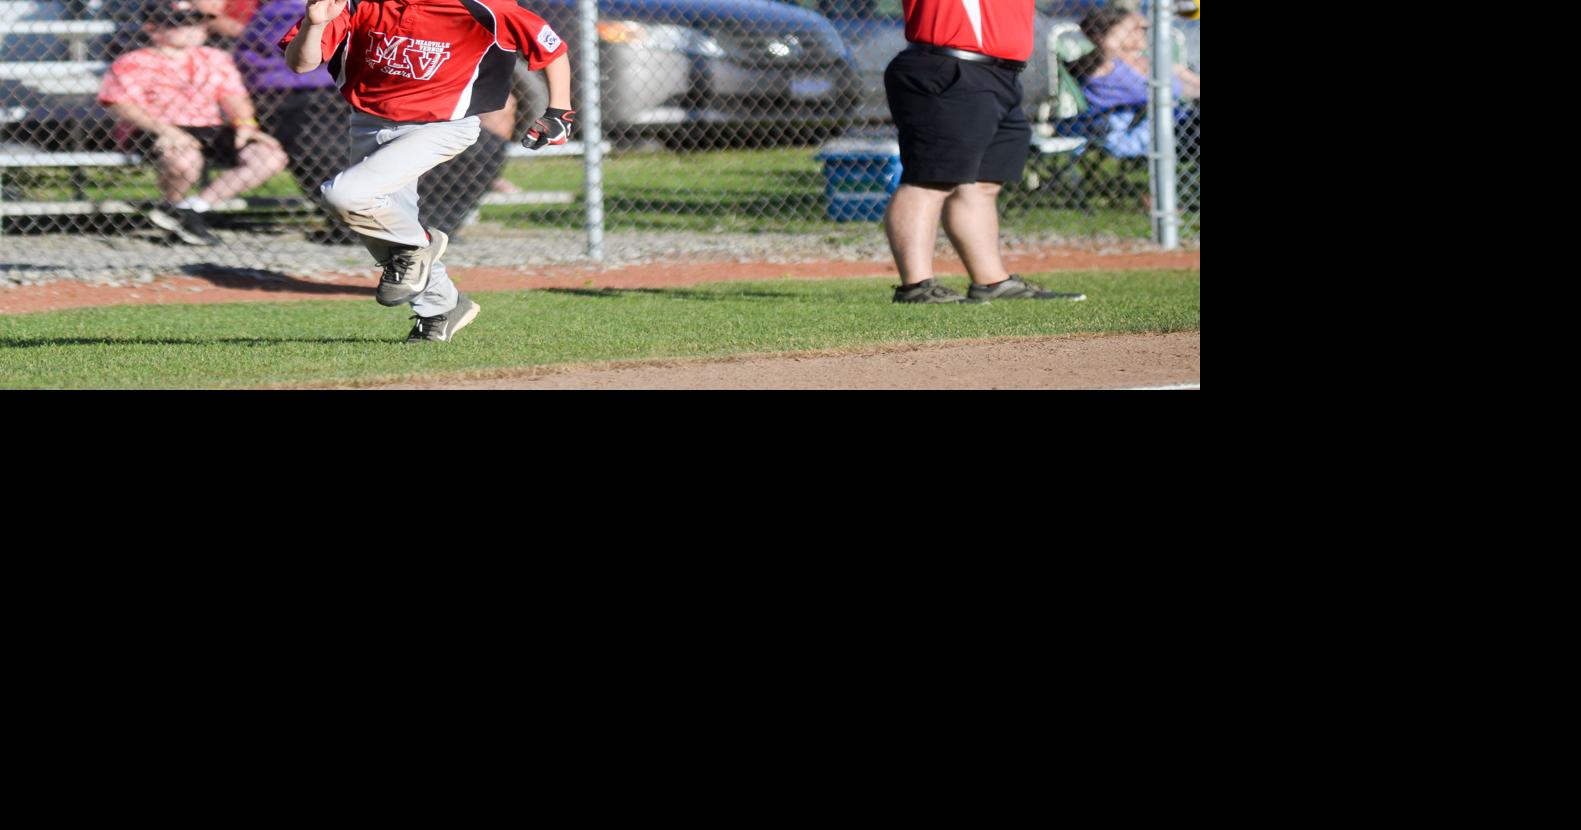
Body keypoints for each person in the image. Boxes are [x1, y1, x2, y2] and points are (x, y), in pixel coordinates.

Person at [282, 0, 573, 344]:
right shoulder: (354, 3)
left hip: (443, 125)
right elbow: (300, 64)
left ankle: (423, 243)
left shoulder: (482, 6)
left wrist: (559, 113)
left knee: (345, 196)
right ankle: (442, 308)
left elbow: (551, 48)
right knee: (383, 230)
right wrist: (315, 24)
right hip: (369, 123)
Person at [883, 0, 1085, 304]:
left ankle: (991, 282)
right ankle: (916, 287)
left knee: (982, 184)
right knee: (930, 181)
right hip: (951, 67)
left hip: (1001, 75)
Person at [97, 0, 290, 246]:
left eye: (196, 22)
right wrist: (166, 131)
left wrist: (245, 125)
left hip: (208, 127)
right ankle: (174, 206)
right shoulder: (133, 61)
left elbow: (234, 97)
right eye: (178, 24)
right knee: (185, 160)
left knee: (269, 156)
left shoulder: (215, 58)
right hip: (154, 128)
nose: (191, 29)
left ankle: (190, 209)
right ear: (152, 28)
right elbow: (121, 104)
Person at [1067, 8, 1199, 159]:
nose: (1141, 32)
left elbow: (1194, 83)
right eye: (1133, 28)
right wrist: (1132, 18)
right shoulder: (1104, 64)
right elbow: (1107, 45)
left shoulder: (1151, 62)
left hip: (1177, 123)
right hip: (1132, 134)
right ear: (1107, 34)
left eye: (1142, 29)